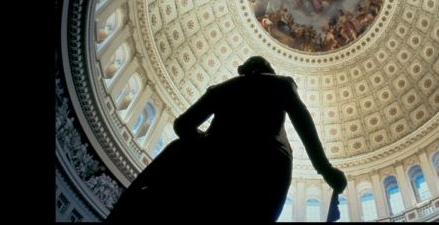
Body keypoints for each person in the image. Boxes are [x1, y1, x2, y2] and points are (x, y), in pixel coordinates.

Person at [107, 56, 347, 222]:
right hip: (267, 168)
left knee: (176, 153)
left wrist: (204, 140)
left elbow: (182, 124)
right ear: (269, 70)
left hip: (217, 162)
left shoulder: (222, 89)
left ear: (244, 70)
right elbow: (304, 123)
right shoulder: (280, 84)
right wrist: (324, 169)